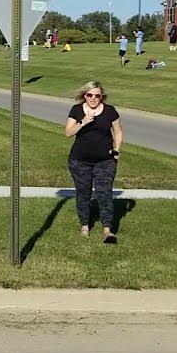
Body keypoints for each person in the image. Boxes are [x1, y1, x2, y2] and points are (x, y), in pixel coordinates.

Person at [65, 81, 123, 244]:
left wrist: (117, 150)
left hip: (105, 160)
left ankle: (107, 230)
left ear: (101, 97)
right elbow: (68, 132)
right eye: (90, 95)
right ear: (84, 96)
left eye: (97, 95)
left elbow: (118, 132)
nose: (93, 98)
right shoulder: (77, 110)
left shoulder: (110, 111)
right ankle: (85, 225)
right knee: (83, 193)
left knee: (104, 193)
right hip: (80, 161)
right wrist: (83, 122)